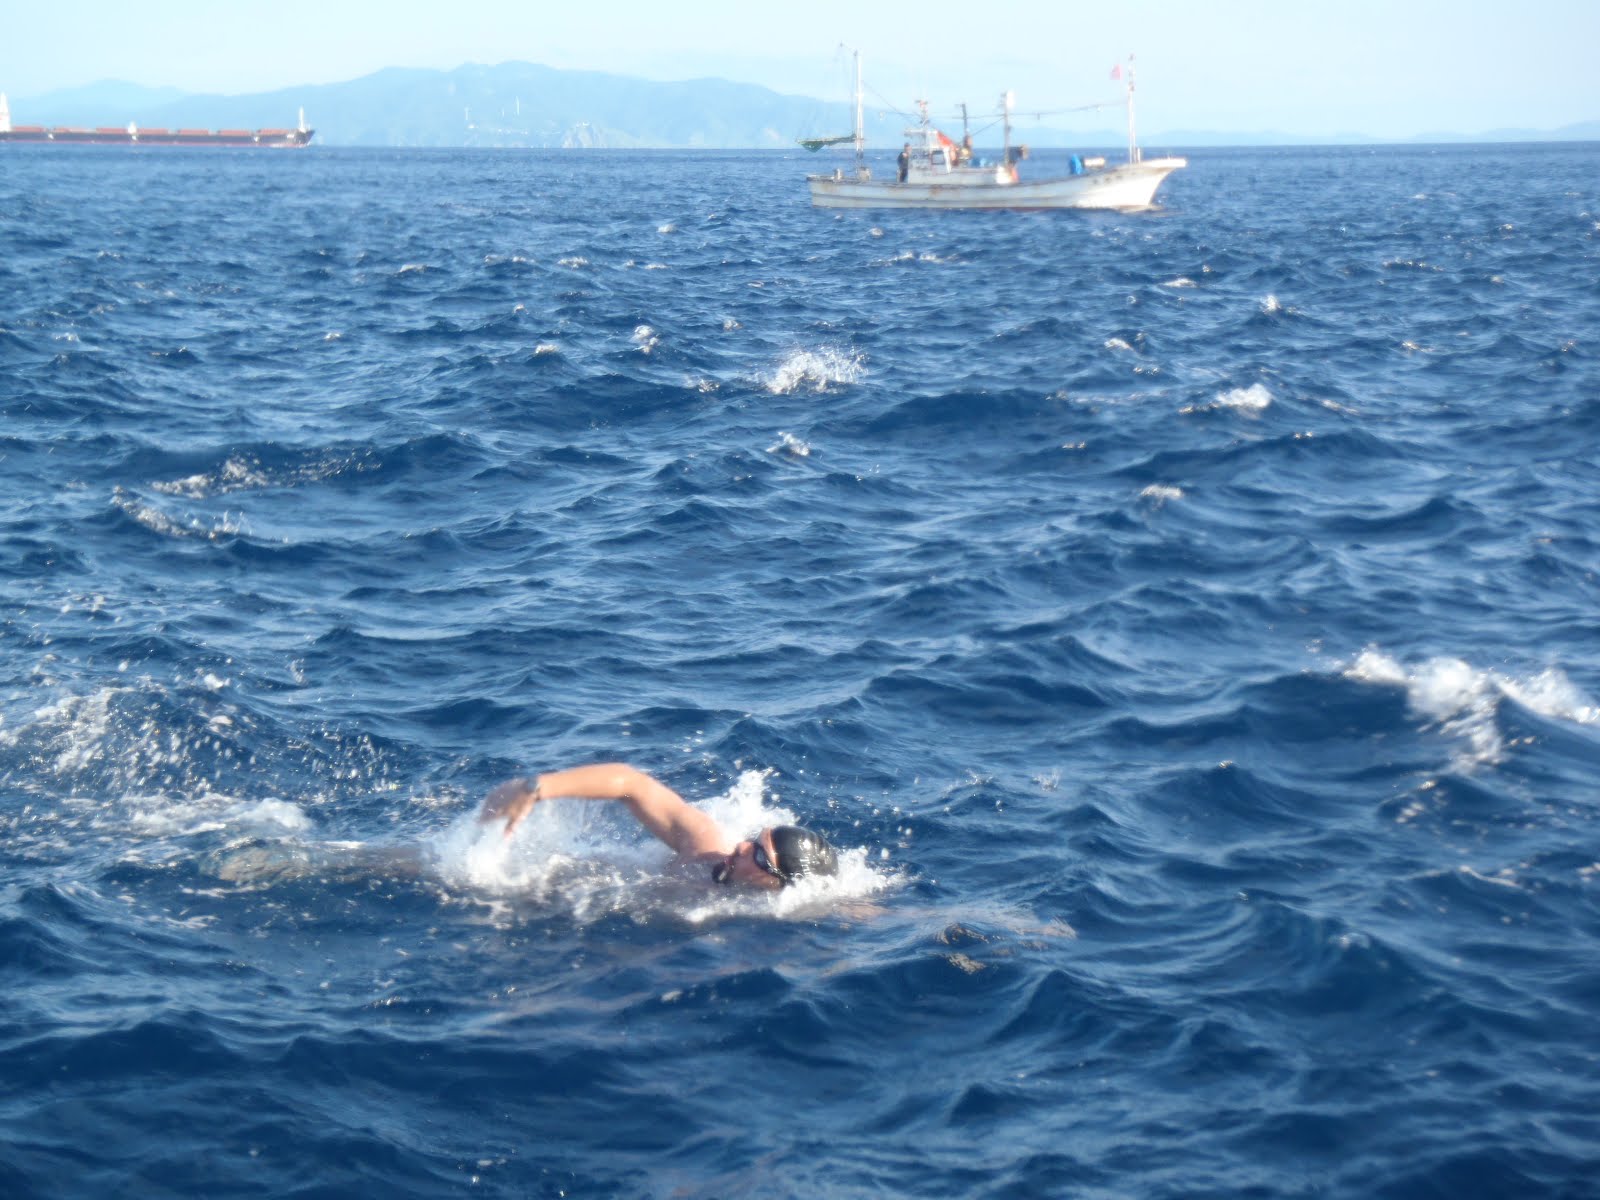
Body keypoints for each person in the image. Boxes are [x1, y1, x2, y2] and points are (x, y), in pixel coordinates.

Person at [479, 763, 839, 890]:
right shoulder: (707, 847)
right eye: (753, 841)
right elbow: (632, 785)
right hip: (553, 882)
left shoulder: (767, 917)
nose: (742, 848)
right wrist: (538, 788)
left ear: (780, 884)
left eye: (760, 856)